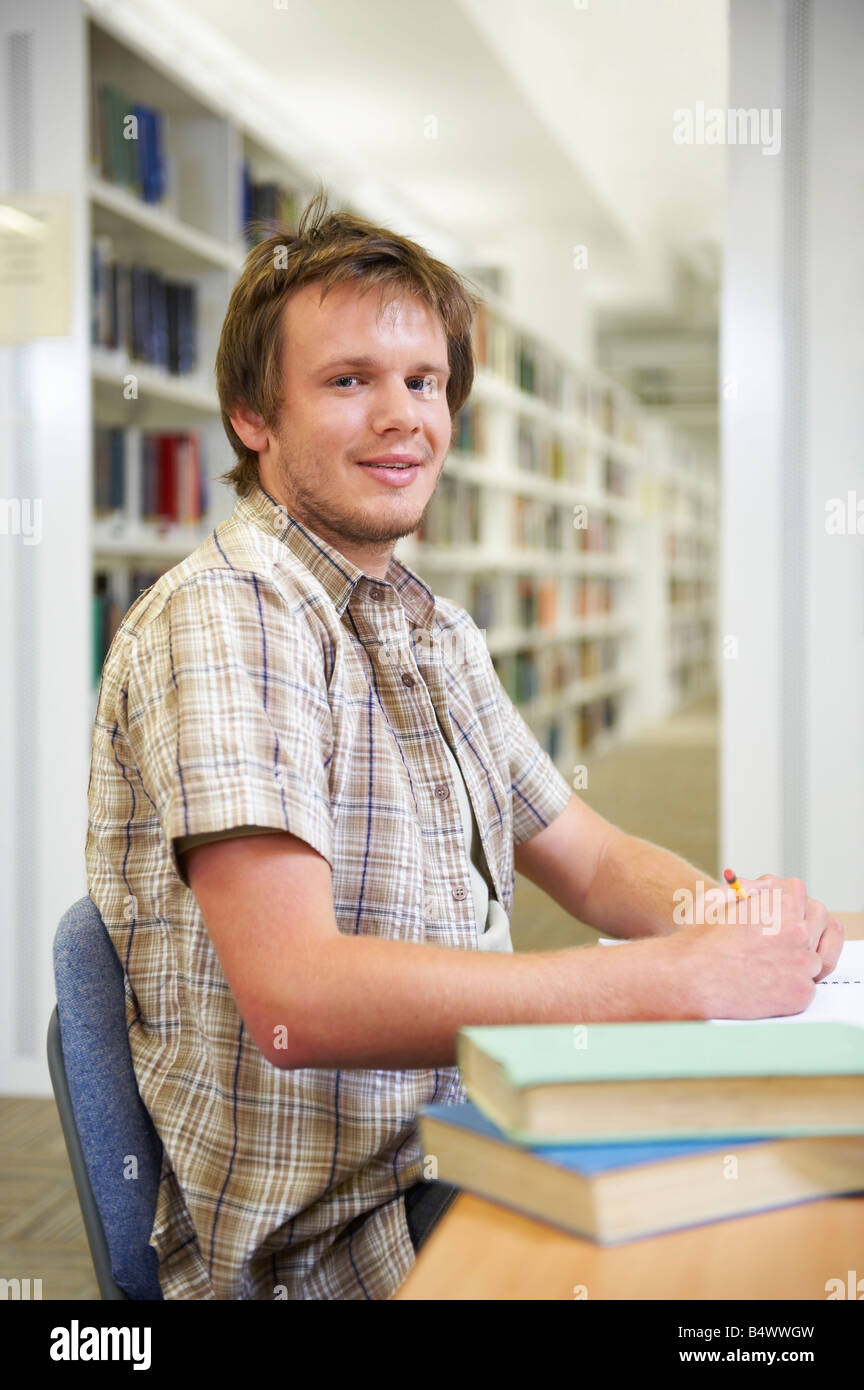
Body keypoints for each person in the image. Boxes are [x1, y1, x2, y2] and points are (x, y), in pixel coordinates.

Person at [85, 187, 844, 1301]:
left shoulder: (430, 628)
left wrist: (730, 924)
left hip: (463, 1136)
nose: (405, 417)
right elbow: (297, 998)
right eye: (349, 381)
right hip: (339, 1239)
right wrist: (671, 979)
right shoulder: (230, 617)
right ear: (253, 413)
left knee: (796, 1204)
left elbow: (587, 855)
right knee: (758, 1274)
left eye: (425, 382)